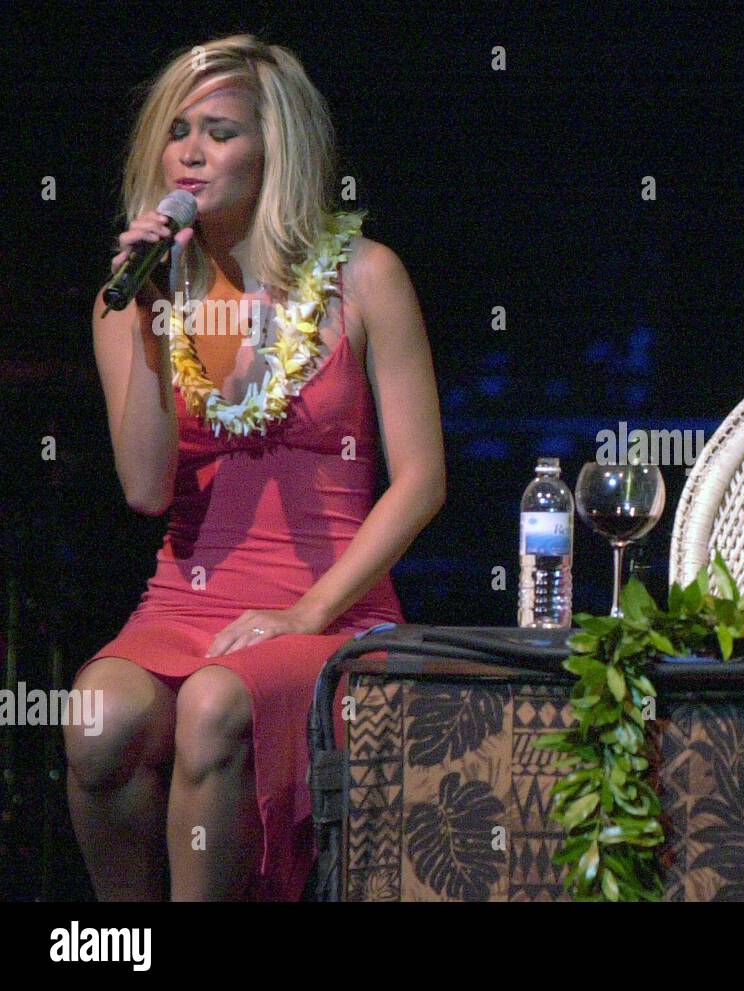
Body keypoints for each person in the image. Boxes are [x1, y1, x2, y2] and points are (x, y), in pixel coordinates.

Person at [65, 35, 446, 901]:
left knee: (212, 702)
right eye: (178, 131)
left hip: (329, 603)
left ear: (279, 149)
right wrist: (156, 326)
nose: (191, 152)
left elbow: (422, 481)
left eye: (221, 131)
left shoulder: (367, 277)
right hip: (184, 599)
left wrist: (305, 611)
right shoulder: (131, 296)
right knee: (97, 719)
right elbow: (144, 488)